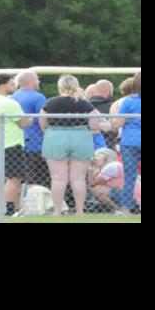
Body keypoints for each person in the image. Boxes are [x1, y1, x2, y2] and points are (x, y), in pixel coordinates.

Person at [40, 75, 103, 216]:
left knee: (58, 178)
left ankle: (57, 211)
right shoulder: (85, 104)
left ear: (60, 87)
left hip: (55, 137)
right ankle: (80, 211)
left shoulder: (50, 103)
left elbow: (42, 124)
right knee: (79, 178)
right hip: (81, 138)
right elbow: (94, 125)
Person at [0, 73, 30, 216]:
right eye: (11, 84)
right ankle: (8, 210)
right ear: (3, 85)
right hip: (11, 145)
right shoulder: (9, 103)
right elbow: (24, 122)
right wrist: (30, 119)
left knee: (1, 179)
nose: (14, 87)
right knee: (14, 179)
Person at [11, 70, 49, 190]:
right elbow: (45, 119)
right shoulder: (38, 97)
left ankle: (14, 201)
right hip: (36, 144)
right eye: (37, 79)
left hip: (16, 143)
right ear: (30, 81)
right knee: (36, 181)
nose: (39, 81)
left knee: (15, 180)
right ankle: (34, 201)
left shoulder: (12, 97)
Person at [110, 70, 141, 213]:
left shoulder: (128, 101)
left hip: (130, 142)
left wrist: (111, 122)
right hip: (131, 141)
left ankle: (126, 209)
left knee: (129, 176)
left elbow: (117, 124)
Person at [88, 148, 129, 215]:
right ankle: (118, 209)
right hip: (122, 192)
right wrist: (91, 168)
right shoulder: (107, 168)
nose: (95, 161)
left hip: (126, 193)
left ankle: (119, 210)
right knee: (98, 188)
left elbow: (92, 184)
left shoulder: (109, 167)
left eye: (98, 159)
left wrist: (90, 168)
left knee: (97, 190)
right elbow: (92, 184)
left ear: (105, 160)